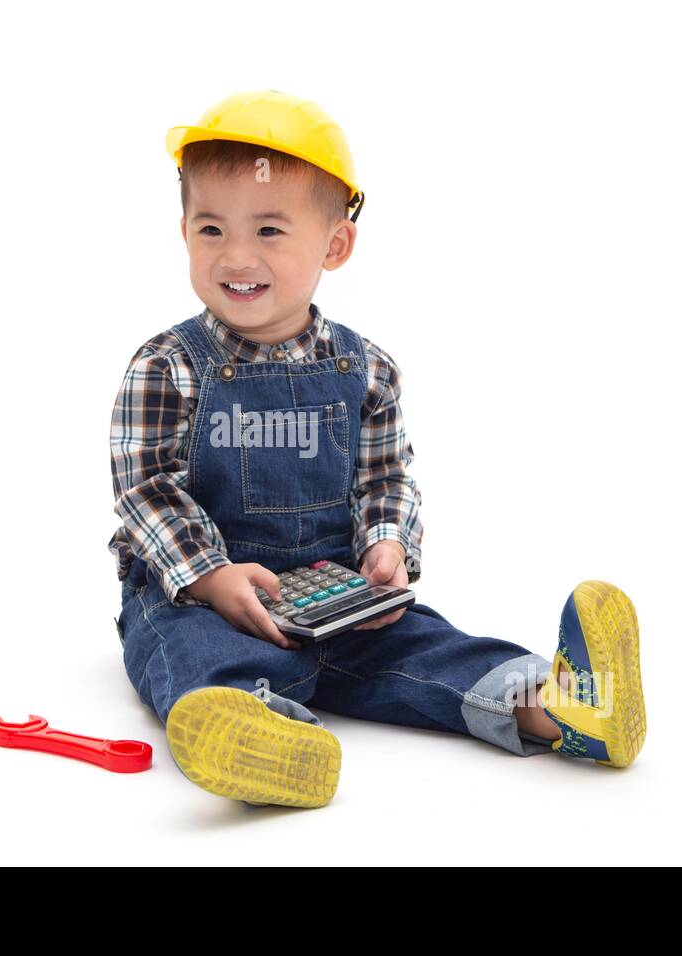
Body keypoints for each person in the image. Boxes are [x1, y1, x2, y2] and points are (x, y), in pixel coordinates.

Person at [108, 89, 647, 808]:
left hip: (338, 596)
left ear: (335, 244)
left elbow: (385, 477)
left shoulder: (368, 370)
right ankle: (264, 739)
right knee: (195, 653)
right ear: (183, 232)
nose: (235, 255)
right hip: (204, 595)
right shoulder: (167, 365)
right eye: (211, 229)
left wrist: (386, 548)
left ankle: (568, 706)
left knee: (432, 649)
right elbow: (146, 488)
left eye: (269, 230)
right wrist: (209, 576)